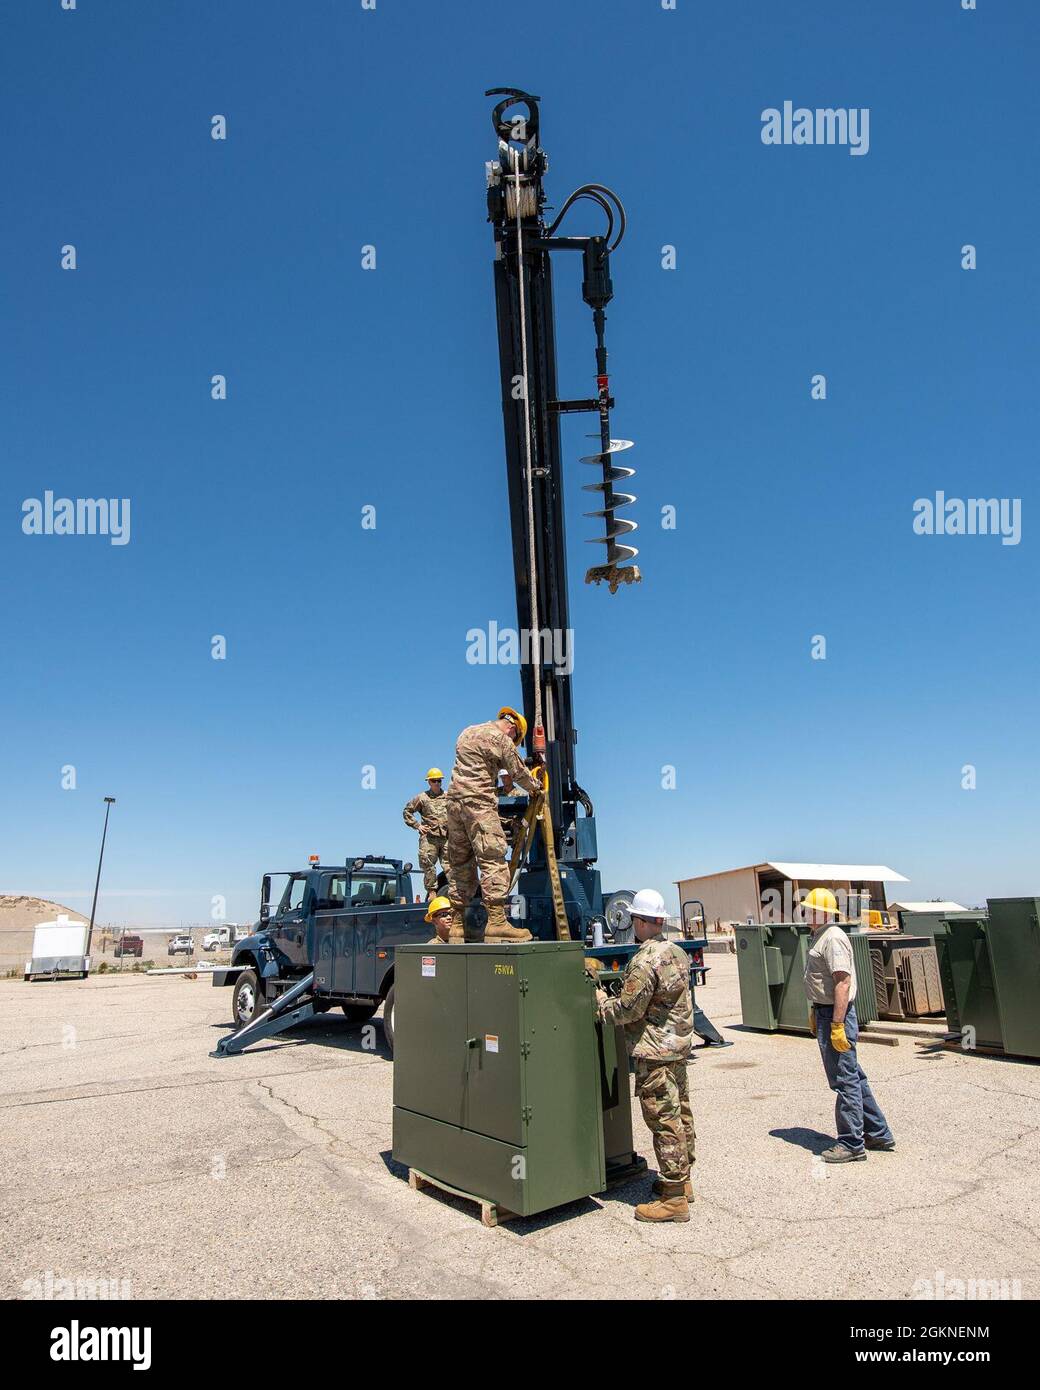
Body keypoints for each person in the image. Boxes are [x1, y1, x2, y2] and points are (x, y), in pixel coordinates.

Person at [596, 888, 695, 1223]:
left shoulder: (644, 960)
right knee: (680, 1114)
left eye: (635, 919)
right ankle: (684, 1182)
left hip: (654, 1054)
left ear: (641, 921)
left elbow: (627, 1009)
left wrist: (599, 1003)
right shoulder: (676, 953)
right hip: (676, 1049)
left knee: (663, 1120)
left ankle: (673, 1199)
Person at [803, 886, 896, 1162]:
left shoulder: (832, 939)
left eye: (809, 909)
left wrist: (836, 1023)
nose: (805, 913)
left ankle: (851, 1143)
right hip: (826, 1011)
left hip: (835, 1013)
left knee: (844, 1081)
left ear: (820, 912)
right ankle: (878, 1132)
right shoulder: (821, 935)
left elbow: (842, 982)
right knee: (853, 1075)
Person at [445, 706, 542, 942]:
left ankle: (457, 926)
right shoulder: (501, 738)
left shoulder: (466, 732)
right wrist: (536, 788)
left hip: (454, 805)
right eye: (515, 738)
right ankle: (497, 922)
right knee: (492, 856)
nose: (512, 741)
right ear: (513, 728)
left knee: (459, 862)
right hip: (479, 804)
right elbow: (518, 772)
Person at [402, 768, 451, 900]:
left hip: (446, 837)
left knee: (451, 864)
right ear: (429, 782)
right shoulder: (422, 798)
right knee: (427, 863)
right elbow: (407, 811)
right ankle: (432, 891)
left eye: (439, 781)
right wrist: (417, 826)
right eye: (434, 781)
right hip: (429, 838)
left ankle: (454, 890)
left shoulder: (448, 797)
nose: (437, 783)